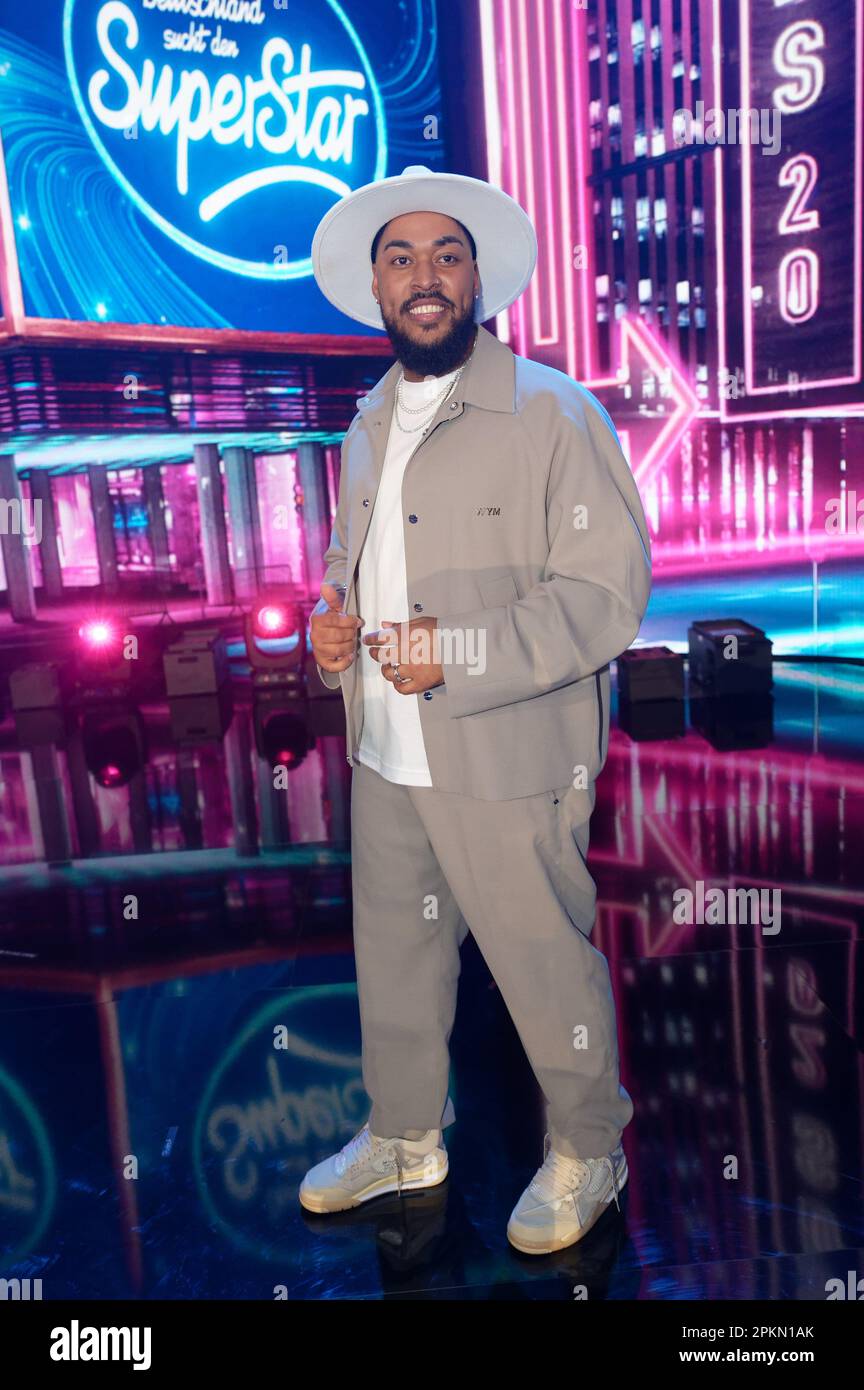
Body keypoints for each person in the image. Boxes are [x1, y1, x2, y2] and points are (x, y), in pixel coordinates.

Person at [303, 165, 652, 1254]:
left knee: (543, 959)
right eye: (400, 258)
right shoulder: (364, 422)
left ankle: (590, 1145)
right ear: (375, 285)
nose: (424, 277)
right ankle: (407, 1136)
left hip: (509, 754)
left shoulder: (553, 413)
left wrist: (452, 654)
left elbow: (605, 597)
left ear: (478, 278)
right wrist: (330, 630)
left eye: (446, 257)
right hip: (387, 752)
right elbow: (348, 570)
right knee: (394, 962)